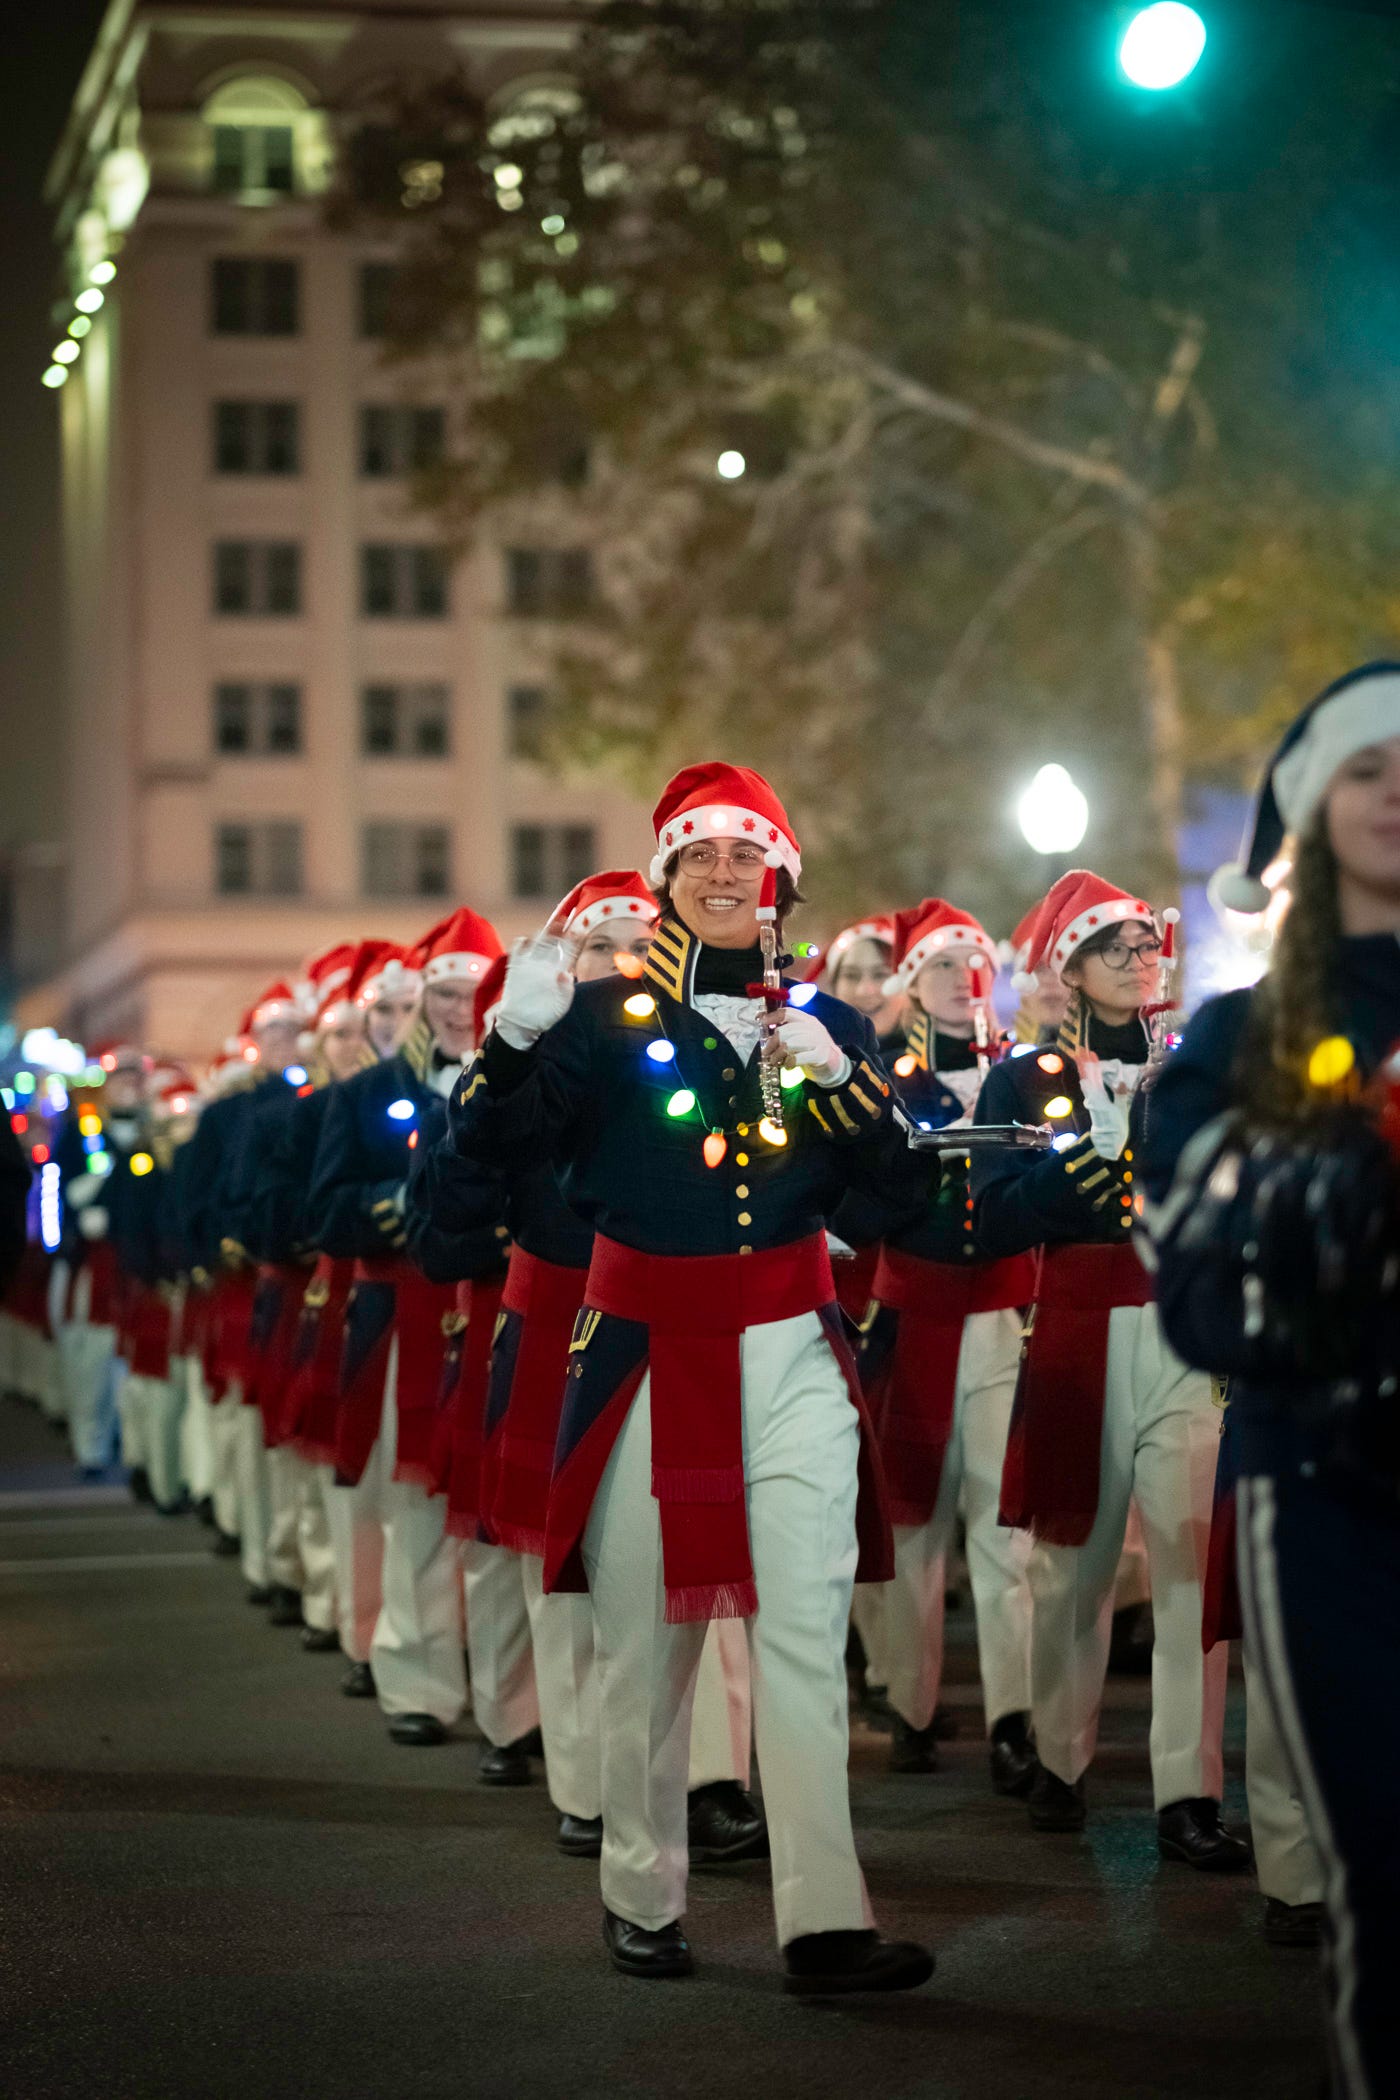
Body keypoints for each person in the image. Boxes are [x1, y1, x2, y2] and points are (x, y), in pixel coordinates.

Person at [450, 760, 933, 1994]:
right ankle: (640, 1890)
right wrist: (508, 1047)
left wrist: (851, 1091)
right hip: (640, 1356)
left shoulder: (829, 1025)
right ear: (664, 879)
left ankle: (823, 1918)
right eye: (697, 857)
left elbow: (901, 1200)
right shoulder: (600, 1026)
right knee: (643, 1646)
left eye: (745, 855)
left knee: (806, 1634)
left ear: (780, 879)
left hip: (788, 1350)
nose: (724, 874)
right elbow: (487, 1162)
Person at [1145, 661, 1400, 2094]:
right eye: (1368, 769)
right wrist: (1316, 1207)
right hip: (1333, 1493)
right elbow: (1190, 1283)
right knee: (1389, 1869)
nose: (1398, 791)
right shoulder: (1236, 1042)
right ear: (1310, 817)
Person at [413, 873, 765, 1858]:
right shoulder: (553, 1042)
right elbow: (475, 1156)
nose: (618, 960)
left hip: (676, 1304)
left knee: (701, 1558)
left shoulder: (690, 1026)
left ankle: (711, 1780)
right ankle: (581, 1779)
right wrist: (513, 1045)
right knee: (555, 1566)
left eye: (633, 940)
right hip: (559, 1302)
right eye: (597, 943)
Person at [970, 871, 1246, 1868]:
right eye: (1114, 947)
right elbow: (990, 1217)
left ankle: (1189, 1792)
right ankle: (1058, 1757)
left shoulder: (1192, 1070)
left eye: (1145, 943)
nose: (1138, 959)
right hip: (1076, 1325)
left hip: (1178, 1329)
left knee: (1186, 1567)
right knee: (1071, 1574)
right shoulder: (1019, 1079)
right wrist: (1076, 1168)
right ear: (1072, 969)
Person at [848, 899, 1037, 1792]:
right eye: (941, 970)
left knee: (1005, 1531)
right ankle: (912, 1705)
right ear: (912, 985)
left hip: (1001, 1313)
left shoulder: (1025, 1073)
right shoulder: (885, 1072)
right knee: (913, 1527)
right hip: (913, 1315)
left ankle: (1015, 1720)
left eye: (975, 968)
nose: (963, 985)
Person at [309, 908, 507, 1745]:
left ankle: (510, 1703)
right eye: (445, 992)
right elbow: (323, 1211)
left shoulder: (521, 1080)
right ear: (421, 1001)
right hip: (406, 1320)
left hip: (498, 1321)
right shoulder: (364, 1097)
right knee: (416, 1508)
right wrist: (398, 1207)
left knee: (495, 1517)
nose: (460, 1007)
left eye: (474, 991)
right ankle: (419, 1681)